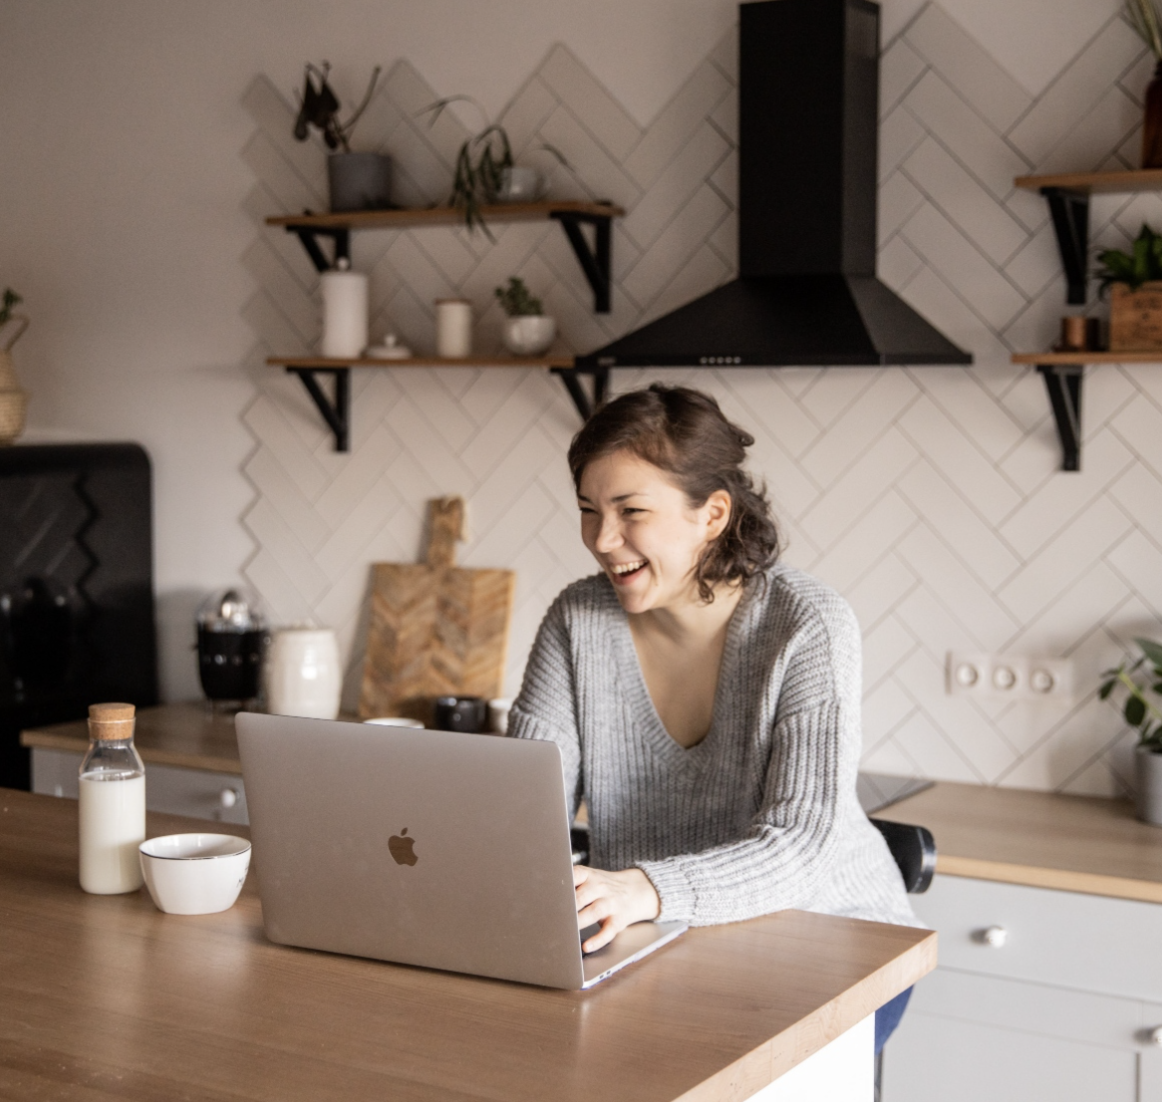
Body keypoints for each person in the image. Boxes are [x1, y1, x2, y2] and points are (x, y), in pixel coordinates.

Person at [508, 384, 920, 1053]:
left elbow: (801, 849)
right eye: (588, 511)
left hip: (833, 948)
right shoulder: (576, 620)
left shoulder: (805, 624)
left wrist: (645, 888)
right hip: (654, 946)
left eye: (630, 511)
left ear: (714, 514)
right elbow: (521, 816)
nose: (602, 540)